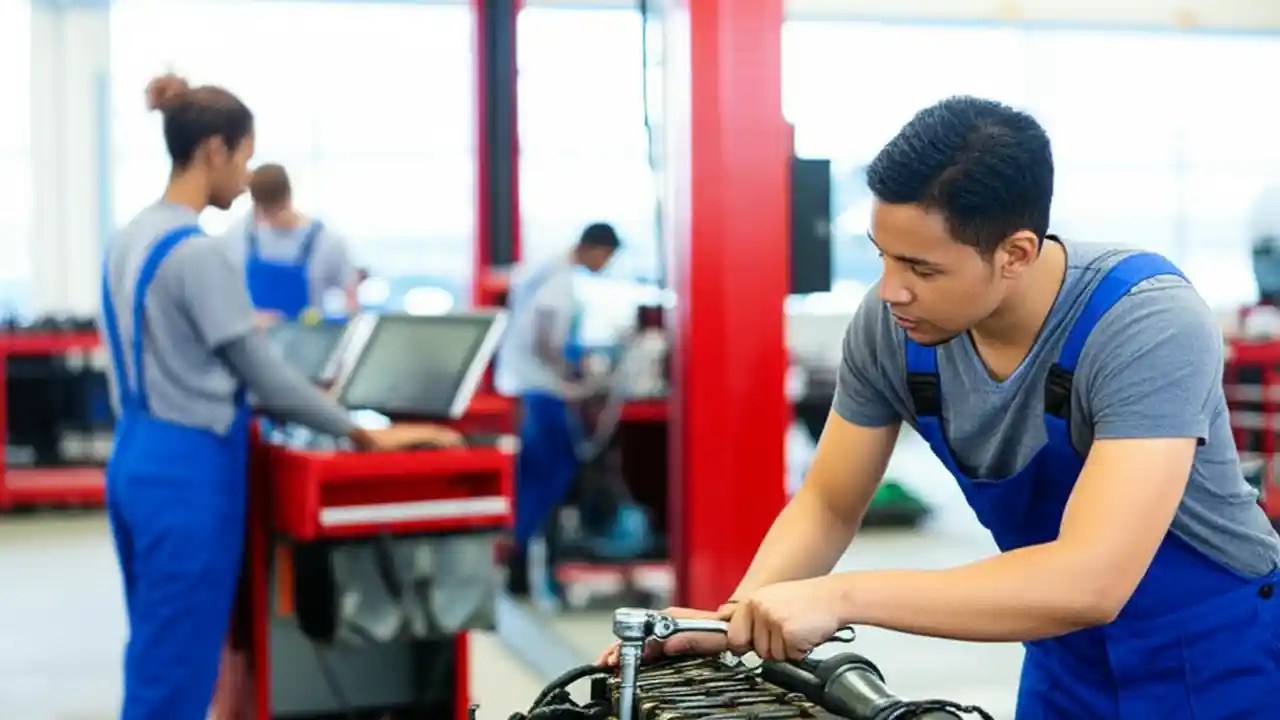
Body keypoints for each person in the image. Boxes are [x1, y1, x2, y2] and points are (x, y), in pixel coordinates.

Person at [600, 96, 1280, 718]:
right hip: (1063, 656)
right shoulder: (891, 326)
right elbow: (830, 503)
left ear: (1016, 253)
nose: (892, 290)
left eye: (923, 269)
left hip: (1218, 656)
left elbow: (1091, 578)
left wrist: (839, 597)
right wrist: (735, 620)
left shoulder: (1143, 321)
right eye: (882, 258)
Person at [100, 73, 462, 719]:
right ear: (216, 148)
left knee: (155, 652)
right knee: (180, 668)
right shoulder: (198, 252)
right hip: (190, 469)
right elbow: (265, 380)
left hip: (135, 454)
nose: (244, 178)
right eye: (242, 156)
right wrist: (362, 431)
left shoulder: (132, 235)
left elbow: (172, 342)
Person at [495, 223, 620, 595]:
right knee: (553, 472)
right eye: (607, 256)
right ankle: (518, 552)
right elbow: (544, 338)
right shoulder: (558, 281)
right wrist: (573, 372)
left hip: (524, 385)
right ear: (596, 248)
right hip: (541, 390)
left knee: (533, 475)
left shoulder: (542, 268)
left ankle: (520, 556)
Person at [229, 162, 358, 322]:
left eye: (276, 210)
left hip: (310, 342)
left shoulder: (327, 243)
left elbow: (352, 301)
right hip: (254, 341)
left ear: (288, 197)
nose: (271, 218)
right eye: (265, 211)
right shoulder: (240, 238)